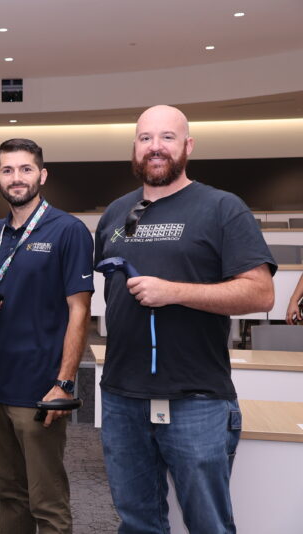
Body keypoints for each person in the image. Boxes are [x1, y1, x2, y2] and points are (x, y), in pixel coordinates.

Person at [95, 105, 276, 534]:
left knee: (208, 524)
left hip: (197, 398)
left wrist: (174, 292)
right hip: (122, 395)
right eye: (145, 138)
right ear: (134, 148)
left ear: (188, 146)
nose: (155, 147)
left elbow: (261, 292)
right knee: (137, 521)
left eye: (167, 137)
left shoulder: (222, 208)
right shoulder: (115, 215)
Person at [0, 138, 93, 533]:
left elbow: (80, 311)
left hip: (40, 389)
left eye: (25, 169)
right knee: (10, 496)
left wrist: (64, 383)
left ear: (42, 175)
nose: (16, 177)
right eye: (7, 170)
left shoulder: (68, 230)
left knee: (47, 505)